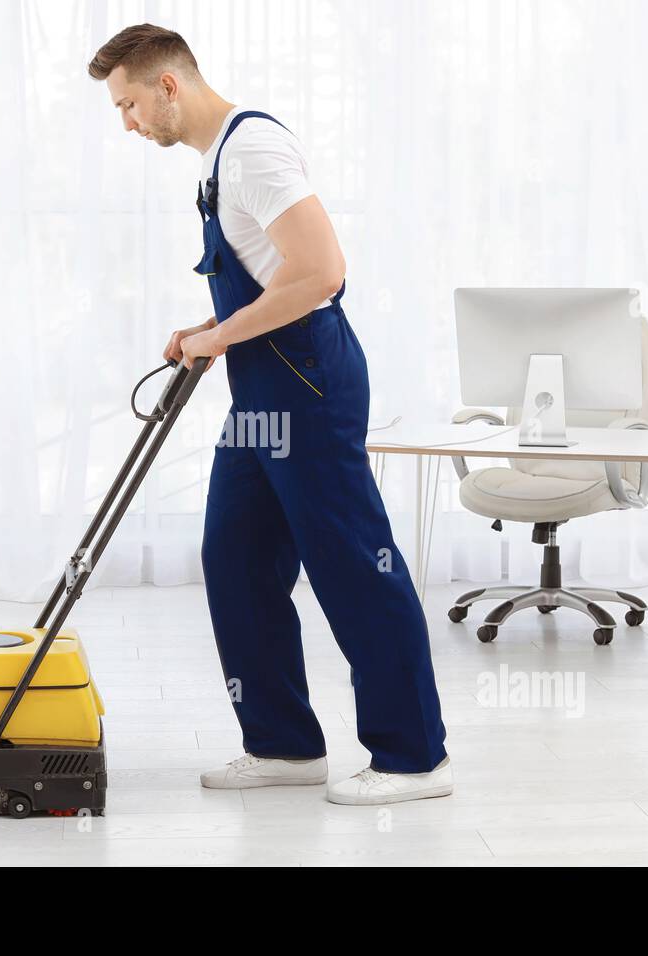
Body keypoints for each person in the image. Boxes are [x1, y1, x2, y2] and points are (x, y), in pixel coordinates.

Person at [88, 24, 450, 805]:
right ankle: (284, 746)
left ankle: (415, 759)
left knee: (354, 564)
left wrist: (219, 335)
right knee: (237, 559)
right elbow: (266, 275)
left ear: (168, 86)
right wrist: (206, 332)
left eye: (128, 105)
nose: (128, 123)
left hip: (308, 383)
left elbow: (320, 272)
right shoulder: (218, 161)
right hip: (260, 388)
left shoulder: (252, 150)